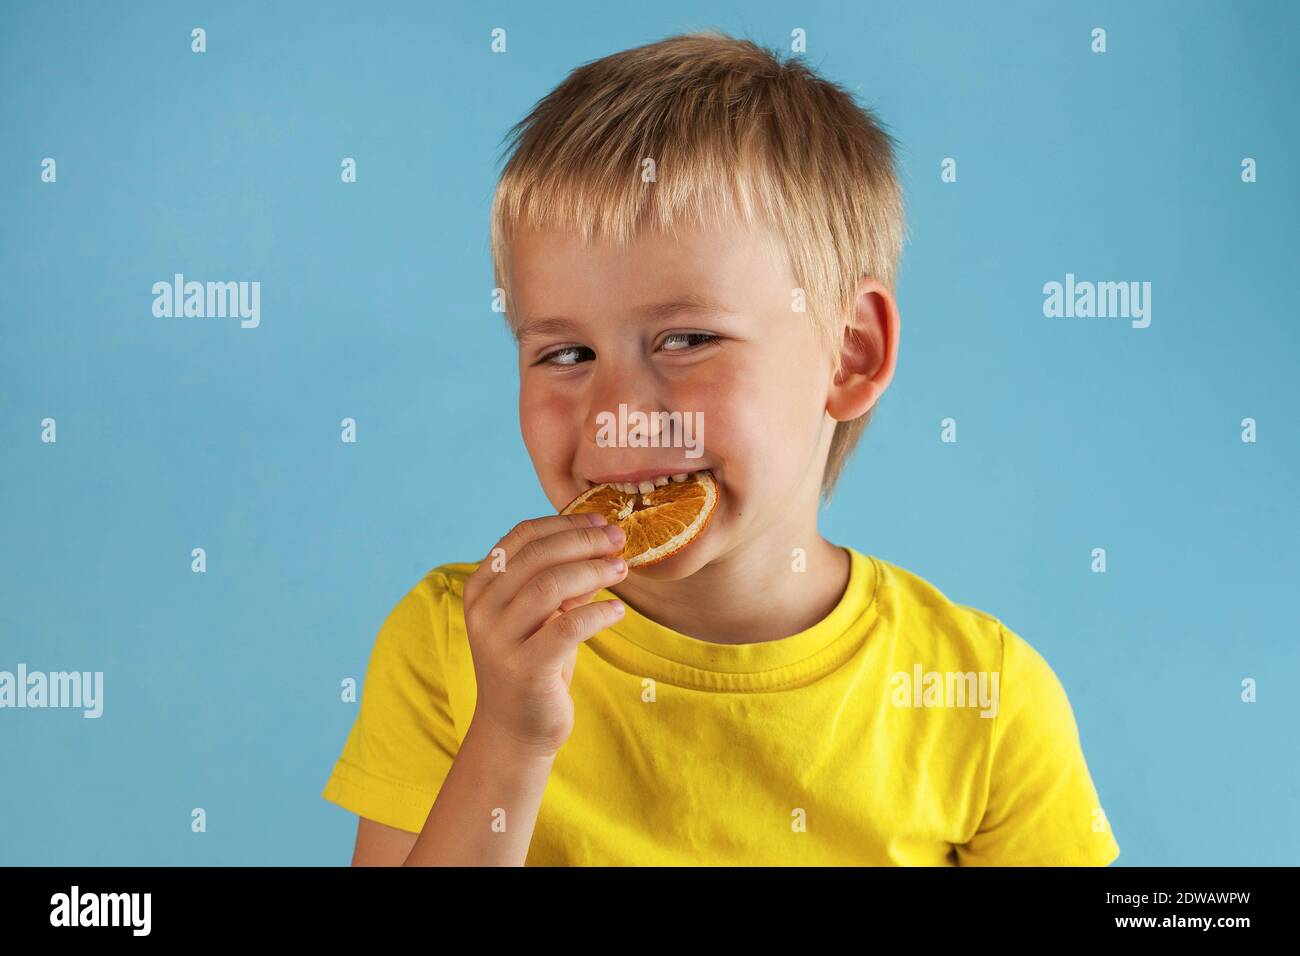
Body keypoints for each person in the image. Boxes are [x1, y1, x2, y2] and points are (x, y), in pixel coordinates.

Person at [322, 30, 1120, 867]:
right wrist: (509, 741)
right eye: (567, 353)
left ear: (850, 354)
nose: (618, 414)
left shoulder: (984, 699)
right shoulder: (457, 644)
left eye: (688, 340)